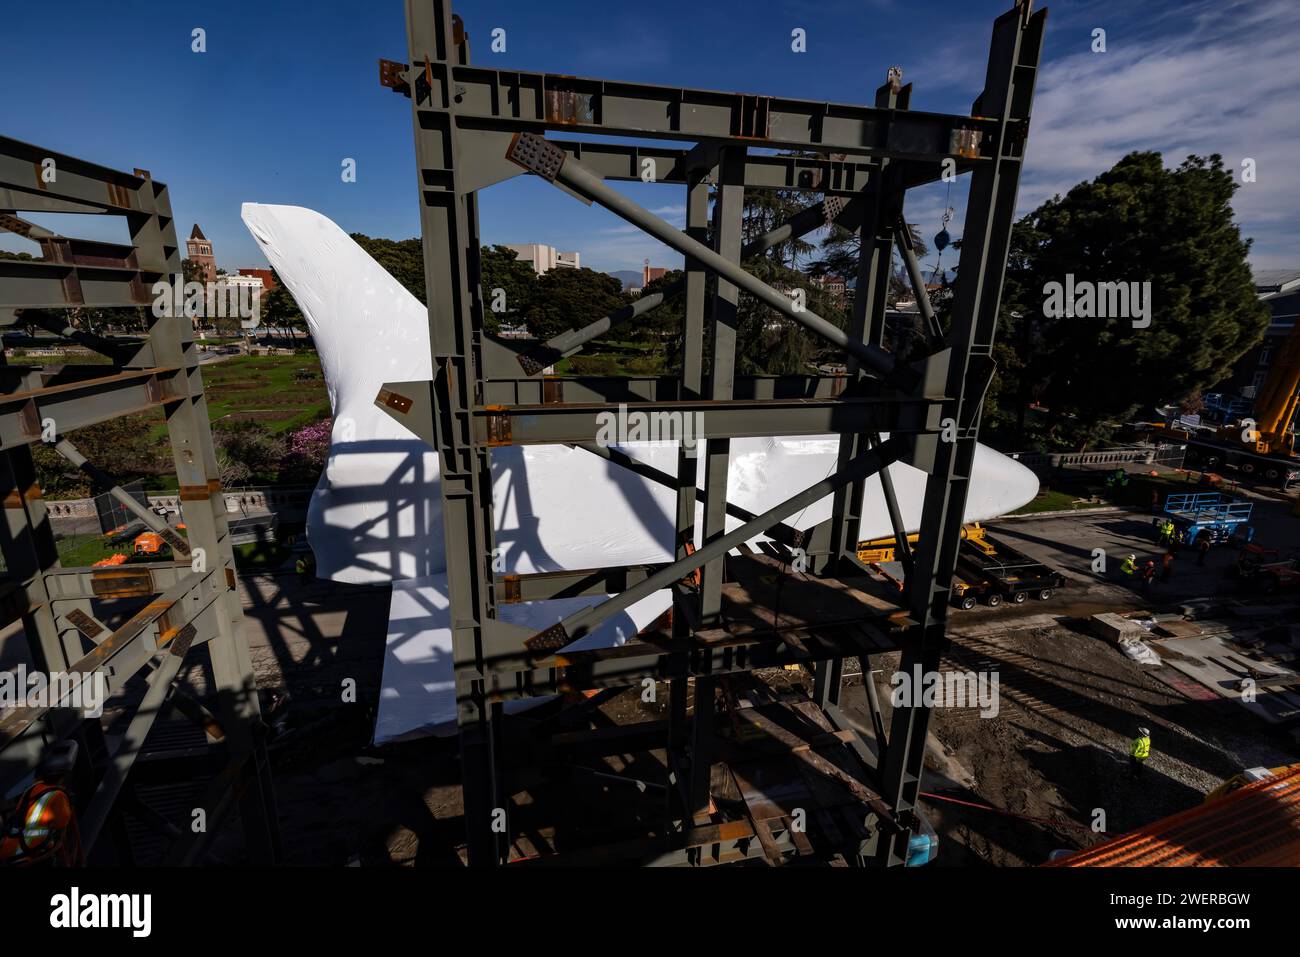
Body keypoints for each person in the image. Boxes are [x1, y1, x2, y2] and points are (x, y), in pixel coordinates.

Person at [0, 742, 83, 867]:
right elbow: (61, 823)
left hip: (10, 844)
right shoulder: (57, 795)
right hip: (27, 852)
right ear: (62, 776)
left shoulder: (33, 788)